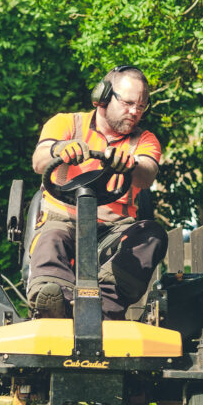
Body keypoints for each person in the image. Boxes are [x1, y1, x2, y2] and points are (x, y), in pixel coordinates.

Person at [26, 65, 167, 319]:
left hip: (115, 231)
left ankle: (102, 310)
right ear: (103, 97)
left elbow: (147, 173)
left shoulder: (145, 140)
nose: (135, 112)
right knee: (51, 240)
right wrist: (59, 149)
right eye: (128, 103)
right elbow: (38, 160)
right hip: (62, 221)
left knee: (152, 235)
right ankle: (55, 303)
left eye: (141, 106)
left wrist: (131, 164)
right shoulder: (65, 123)